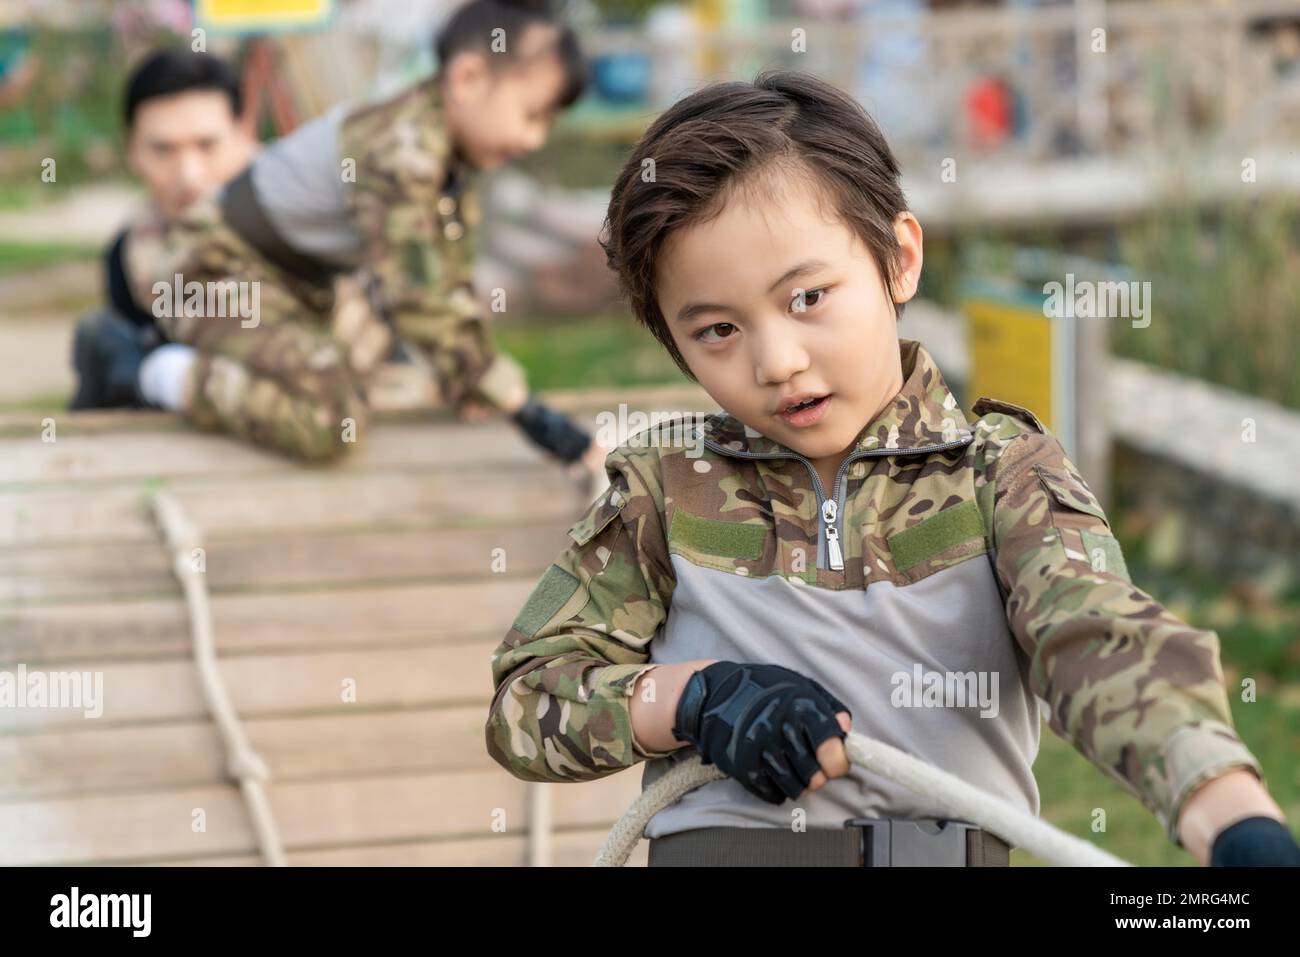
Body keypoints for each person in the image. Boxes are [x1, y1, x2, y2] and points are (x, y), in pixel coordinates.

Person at [484, 70, 1300, 867]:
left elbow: (1099, 639)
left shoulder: (1002, 476)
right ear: (672, 338)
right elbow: (526, 700)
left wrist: (1231, 817)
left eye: (807, 297)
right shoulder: (663, 492)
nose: (777, 360)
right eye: (718, 331)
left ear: (899, 259)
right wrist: (691, 697)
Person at [89, 0, 605, 484]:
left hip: (286, 282)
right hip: (210, 274)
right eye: (532, 115)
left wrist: (467, 377)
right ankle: (155, 372)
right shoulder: (400, 152)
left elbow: (445, 281)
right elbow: (422, 300)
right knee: (332, 418)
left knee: (389, 385)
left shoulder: (440, 150)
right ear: (468, 77)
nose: (534, 138)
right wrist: (530, 413)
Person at [69, 47, 254, 410]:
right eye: (163, 150)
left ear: (241, 136)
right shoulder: (130, 254)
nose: (189, 174)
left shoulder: (307, 224)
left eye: (207, 145)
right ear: (132, 150)